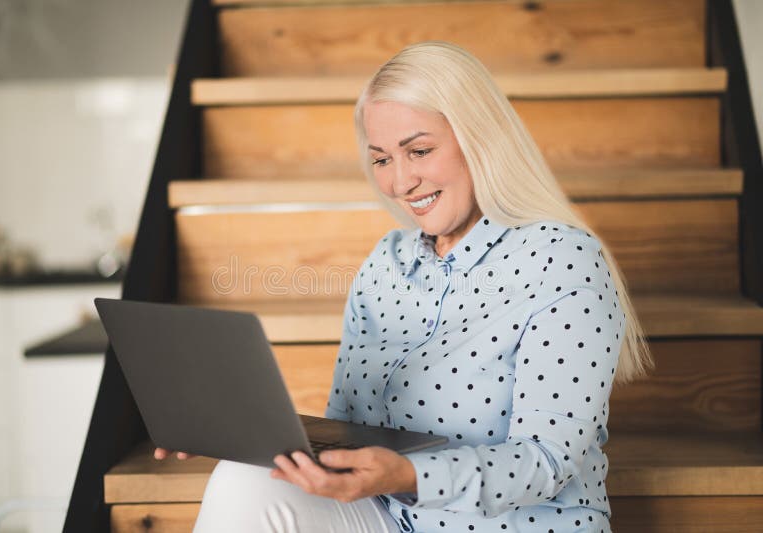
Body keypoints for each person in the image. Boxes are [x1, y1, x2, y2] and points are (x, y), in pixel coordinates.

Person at [157, 41, 653, 532]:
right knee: (244, 480)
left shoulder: (559, 258)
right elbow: (345, 428)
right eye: (381, 159)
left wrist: (411, 474)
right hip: (395, 519)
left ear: (480, 138)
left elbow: (546, 462)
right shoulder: (386, 263)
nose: (399, 182)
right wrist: (236, 433)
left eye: (419, 151)